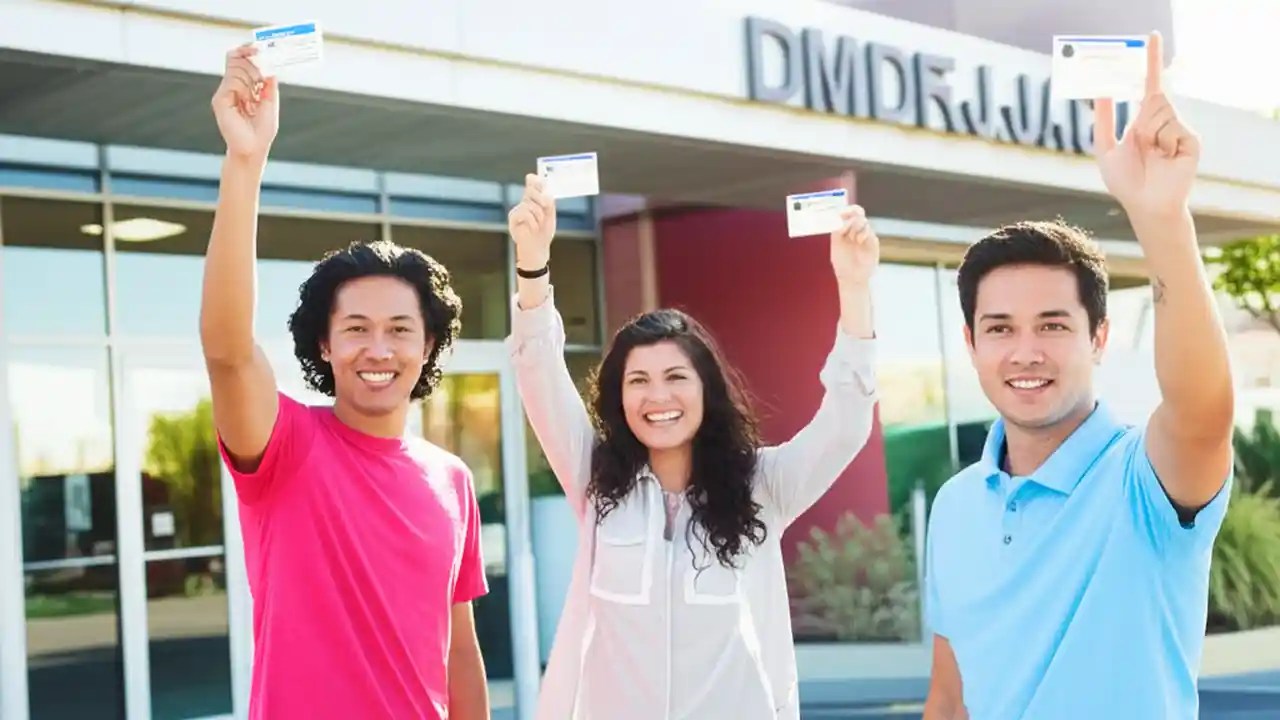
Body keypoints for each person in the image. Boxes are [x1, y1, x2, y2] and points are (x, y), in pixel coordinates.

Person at [922, 31, 1234, 720]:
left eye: (1053, 326)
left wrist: (1162, 219)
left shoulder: (1145, 480)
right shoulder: (954, 506)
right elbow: (950, 700)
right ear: (971, 343)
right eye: (1000, 329)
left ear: (1099, 336)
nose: (1025, 351)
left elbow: (1203, 406)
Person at [506, 174, 881, 719]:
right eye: (638, 381)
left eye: (676, 377)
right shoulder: (596, 479)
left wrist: (854, 287)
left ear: (708, 389)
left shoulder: (763, 486)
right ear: (619, 397)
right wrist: (533, 265)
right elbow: (538, 369)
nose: (658, 397)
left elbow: (847, 422)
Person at [201, 44, 490, 719]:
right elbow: (226, 349)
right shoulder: (286, 447)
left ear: (428, 346)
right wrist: (246, 162)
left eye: (399, 329)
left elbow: (458, 652)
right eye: (356, 328)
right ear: (325, 344)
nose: (378, 348)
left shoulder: (452, 480)